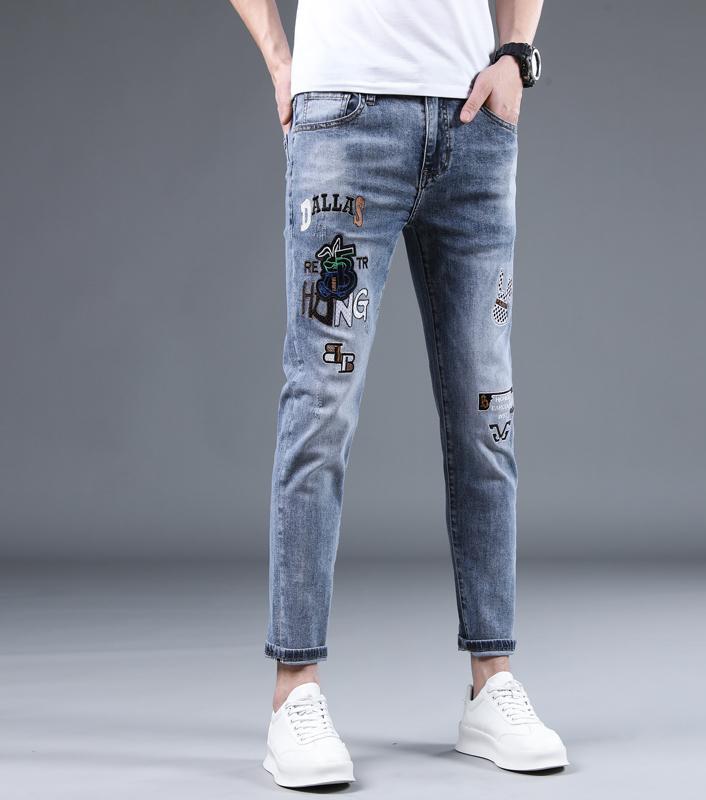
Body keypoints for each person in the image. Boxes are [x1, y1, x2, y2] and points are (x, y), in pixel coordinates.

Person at [229, 0, 567, 787]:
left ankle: (492, 682)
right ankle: (295, 690)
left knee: (488, 416)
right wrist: (280, 60)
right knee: (321, 409)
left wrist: (516, 54)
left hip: (473, 122)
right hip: (344, 120)